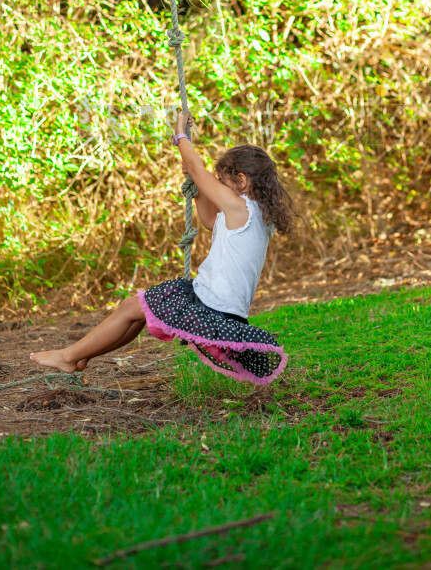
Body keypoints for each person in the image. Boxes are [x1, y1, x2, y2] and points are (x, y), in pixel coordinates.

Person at [30, 110, 297, 385]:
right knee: (134, 310)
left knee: (131, 308)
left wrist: (180, 134)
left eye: (222, 181)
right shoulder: (258, 214)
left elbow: (196, 168)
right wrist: (196, 182)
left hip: (211, 303)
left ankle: (70, 356)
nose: (217, 186)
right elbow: (208, 221)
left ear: (241, 181)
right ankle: (79, 357)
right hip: (218, 303)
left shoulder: (241, 207)